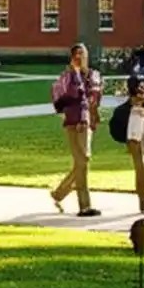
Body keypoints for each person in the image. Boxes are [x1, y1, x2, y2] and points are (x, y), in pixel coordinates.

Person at [50, 43, 101, 218]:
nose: (80, 57)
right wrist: (76, 72)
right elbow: (72, 96)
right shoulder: (69, 76)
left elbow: (94, 98)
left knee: (83, 161)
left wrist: (93, 117)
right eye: (76, 54)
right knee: (83, 161)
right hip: (73, 121)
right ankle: (84, 206)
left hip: (86, 122)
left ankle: (59, 193)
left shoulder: (93, 75)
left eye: (83, 53)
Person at [123, 76, 144, 214]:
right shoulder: (135, 100)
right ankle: (143, 199)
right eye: (140, 86)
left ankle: (143, 199)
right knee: (140, 166)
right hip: (136, 131)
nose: (143, 89)